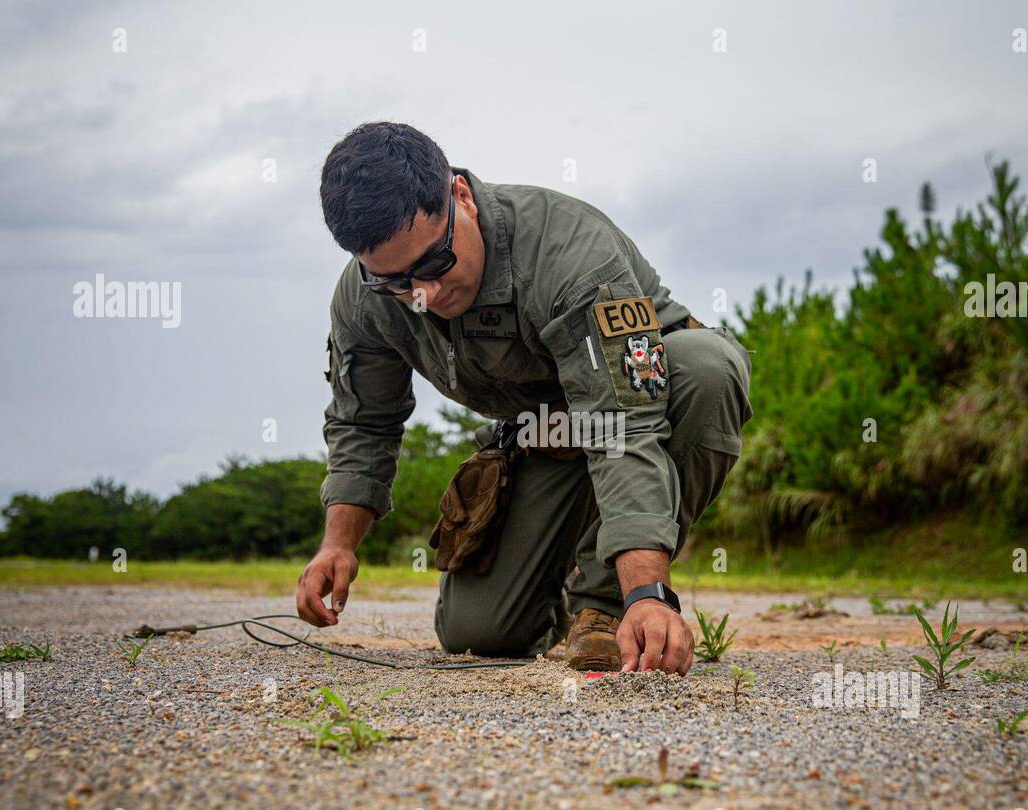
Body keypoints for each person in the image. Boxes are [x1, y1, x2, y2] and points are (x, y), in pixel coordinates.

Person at [296, 122, 751, 675]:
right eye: (397, 282)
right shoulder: (364, 297)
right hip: (545, 440)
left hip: (643, 413)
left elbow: (622, 426)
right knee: (482, 633)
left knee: (708, 367)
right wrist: (337, 545)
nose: (425, 295)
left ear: (460, 196)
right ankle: (565, 595)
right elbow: (363, 422)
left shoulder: (568, 253)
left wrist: (644, 594)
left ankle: (604, 609)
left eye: (435, 264)